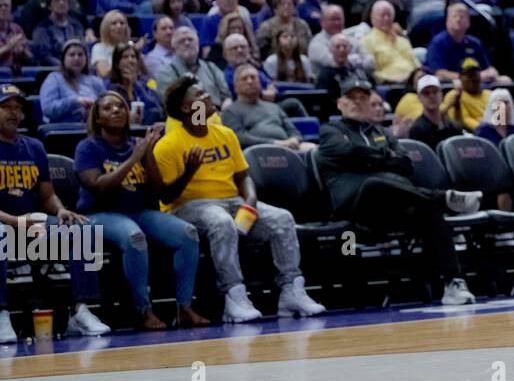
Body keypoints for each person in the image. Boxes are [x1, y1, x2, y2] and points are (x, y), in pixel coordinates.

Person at [153, 76, 325, 322]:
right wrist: (189, 171)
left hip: (233, 201)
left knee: (282, 218)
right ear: (185, 107)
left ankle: (291, 291)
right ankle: (233, 297)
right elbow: (167, 197)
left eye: (206, 92)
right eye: (199, 95)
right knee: (221, 221)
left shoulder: (225, 134)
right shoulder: (168, 145)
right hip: (188, 208)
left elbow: (243, 175)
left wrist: (251, 199)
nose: (207, 97)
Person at [315, 78, 478, 304]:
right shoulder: (330, 130)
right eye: (351, 98)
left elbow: (405, 164)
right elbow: (347, 151)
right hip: (353, 208)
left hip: (388, 208)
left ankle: (453, 283)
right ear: (340, 103)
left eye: (362, 98)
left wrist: (371, 159)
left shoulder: (381, 131)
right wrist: (383, 158)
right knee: (375, 184)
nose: (357, 102)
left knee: (429, 211)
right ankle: (443, 198)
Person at [75, 93, 209, 330]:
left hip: (138, 211)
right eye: (108, 108)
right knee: (133, 236)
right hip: (99, 214)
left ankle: (184, 308)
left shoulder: (139, 144)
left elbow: (162, 194)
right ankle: (142, 310)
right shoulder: (87, 147)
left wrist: (187, 170)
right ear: (97, 118)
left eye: (120, 106)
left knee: (187, 233)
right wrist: (136, 157)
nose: (116, 110)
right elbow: (99, 187)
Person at [0, 84, 110, 344]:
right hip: (5, 223)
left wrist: (61, 210)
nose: (13, 113)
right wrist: (16, 221)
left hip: (31, 223)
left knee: (83, 230)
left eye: (18, 107)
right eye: (6, 107)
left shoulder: (34, 147)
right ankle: (2, 313)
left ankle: (80, 312)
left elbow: (47, 195)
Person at [222, 64, 316, 151]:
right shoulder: (230, 111)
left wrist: (294, 139)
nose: (250, 81)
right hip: (257, 152)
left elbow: (294, 131)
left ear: (259, 82)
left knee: (313, 149)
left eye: (253, 77)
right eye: (244, 79)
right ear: (235, 87)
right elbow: (240, 138)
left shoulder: (274, 107)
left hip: (287, 147)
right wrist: (274, 143)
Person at [427, 2, 508, 83]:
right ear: (447, 21)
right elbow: (440, 73)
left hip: (477, 82)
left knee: (505, 80)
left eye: (462, 17)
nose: (458, 19)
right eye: (454, 16)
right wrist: (470, 77)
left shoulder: (475, 43)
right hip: (454, 84)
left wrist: (492, 72)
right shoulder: (438, 43)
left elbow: (486, 67)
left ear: (468, 22)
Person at [40, 39, 106, 124]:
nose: (76, 58)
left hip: (92, 128)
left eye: (80, 55)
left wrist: (93, 110)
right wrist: (76, 101)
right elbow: (48, 110)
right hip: (63, 130)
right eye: (72, 55)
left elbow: (106, 105)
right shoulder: (54, 79)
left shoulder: (96, 81)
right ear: (63, 59)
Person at [393, 74, 462, 151]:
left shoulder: (453, 126)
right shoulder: (416, 130)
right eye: (426, 93)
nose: (431, 96)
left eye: (435, 92)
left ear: (441, 94)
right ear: (419, 97)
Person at [361, 0, 420, 84]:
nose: (386, 18)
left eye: (389, 15)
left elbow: (417, 66)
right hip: (389, 84)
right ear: (372, 18)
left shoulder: (403, 41)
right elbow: (371, 73)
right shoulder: (366, 42)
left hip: (412, 82)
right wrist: (392, 79)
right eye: (382, 15)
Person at [108, 42, 164, 125]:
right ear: (117, 64)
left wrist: (135, 84)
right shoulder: (110, 87)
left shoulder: (148, 82)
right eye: (125, 57)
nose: (130, 60)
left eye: (133, 57)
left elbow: (158, 108)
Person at [30, 0, 88, 65]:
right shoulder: (42, 28)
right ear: (50, 6)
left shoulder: (76, 25)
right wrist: (65, 66)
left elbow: (82, 48)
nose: (61, 3)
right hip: (52, 70)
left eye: (64, 0)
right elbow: (44, 56)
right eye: (57, 0)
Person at [441, 57, 489, 131]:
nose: (473, 79)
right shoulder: (455, 95)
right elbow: (462, 121)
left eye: (475, 75)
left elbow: (499, 120)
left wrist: (496, 127)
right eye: (469, 75)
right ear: (460, 77)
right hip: (473, 134)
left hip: (495, 131)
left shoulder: (490, 94)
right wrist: (483, 128)